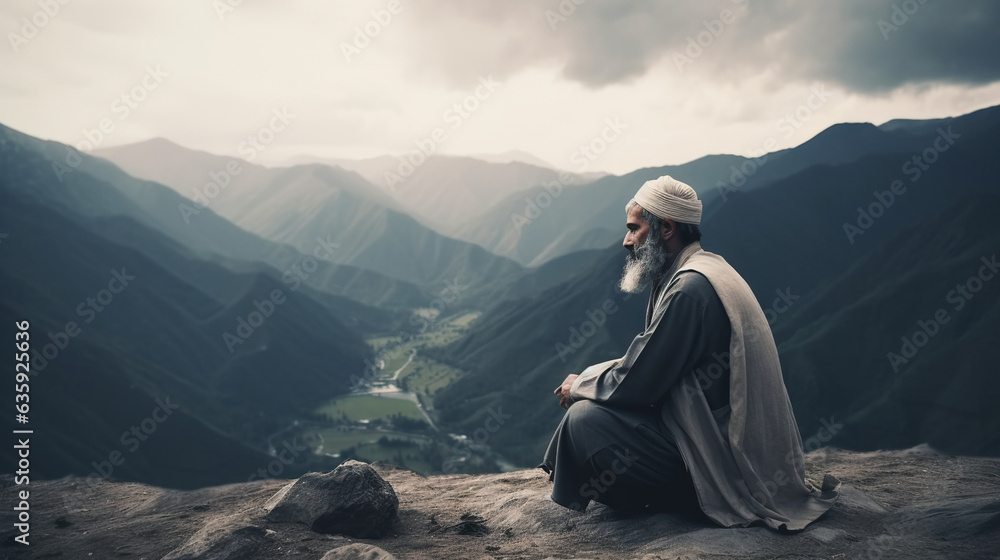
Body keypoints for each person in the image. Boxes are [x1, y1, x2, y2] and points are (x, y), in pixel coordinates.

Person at [538, 175, 838, 531]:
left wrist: (581, 384)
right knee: (592, 409)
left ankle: (681, 501)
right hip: (726, 447)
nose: (626, 241)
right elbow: (652, 360)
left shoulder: (689, 290)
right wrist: (591, 379)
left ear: (666, 228)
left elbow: (640, 382)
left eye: (635, 229)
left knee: (584, 419)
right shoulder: (704, 269)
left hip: (720, 462)